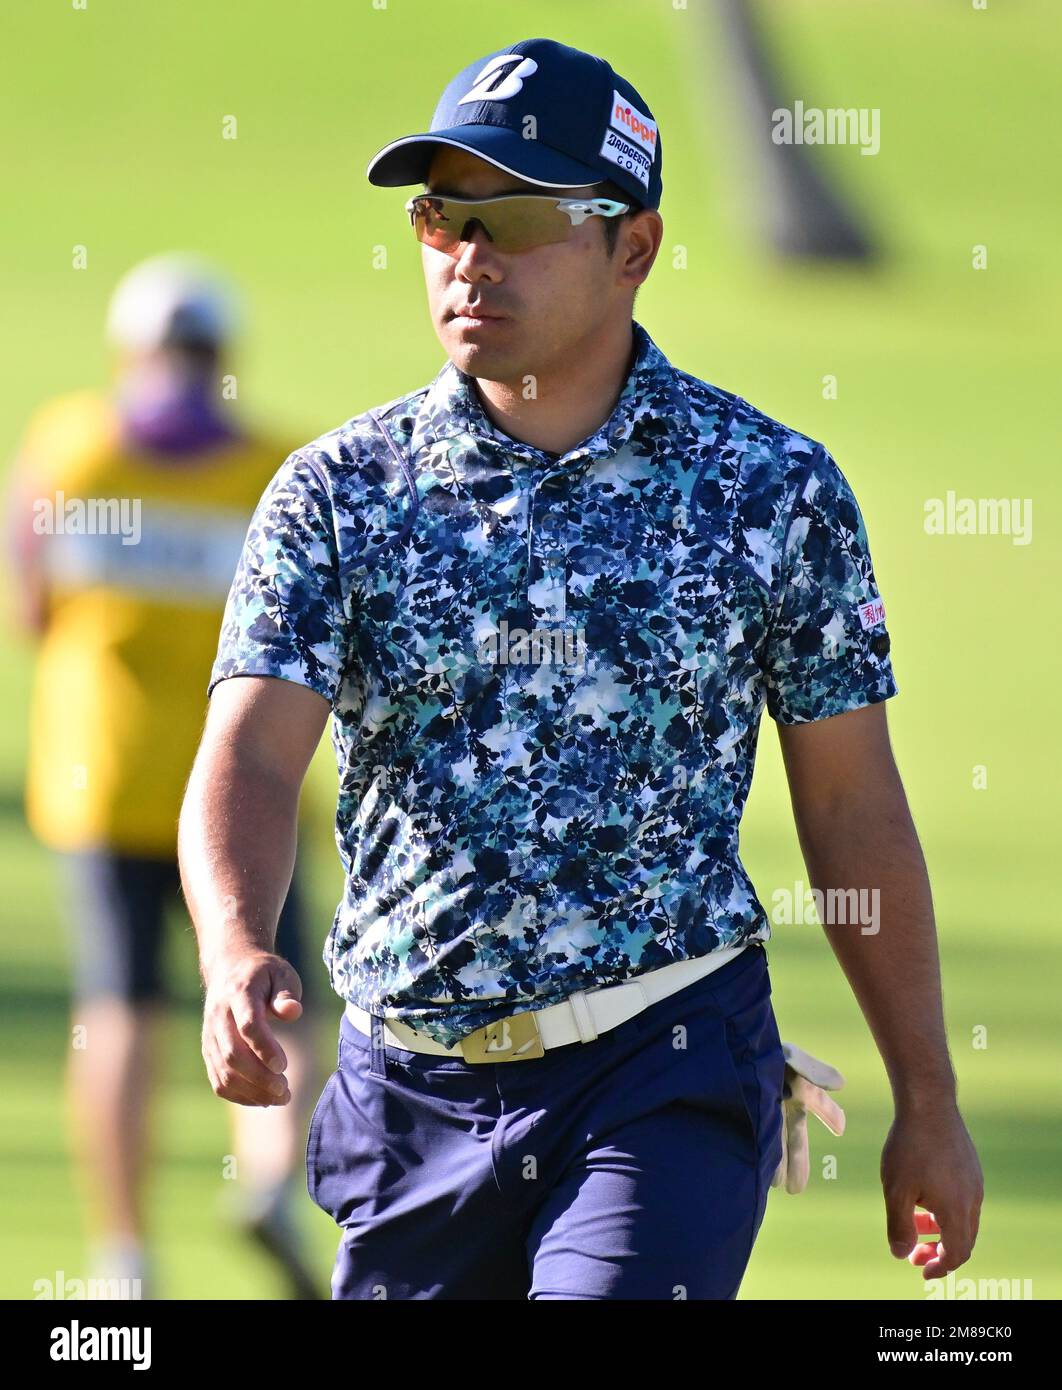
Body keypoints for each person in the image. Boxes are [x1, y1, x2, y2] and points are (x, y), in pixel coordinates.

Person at [179, 38, 983, 1300]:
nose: (468, 256)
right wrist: (233, 949)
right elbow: (252, 754)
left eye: (519, 216)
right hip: (410, 1094)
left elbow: (850, 803)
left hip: (662, 1061)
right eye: (443, 216)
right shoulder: (337, 494)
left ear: (636, 246)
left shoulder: (771, 489)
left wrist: (927, 1099)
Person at [5, 255, 323, 1299]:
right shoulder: (271, 466)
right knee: (275, 994)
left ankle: (125, 1258)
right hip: (243, 790)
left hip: (105, 786)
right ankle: (271, 1172)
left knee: (120, 1011)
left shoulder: (73, 450)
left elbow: (31, 608)